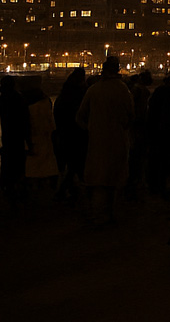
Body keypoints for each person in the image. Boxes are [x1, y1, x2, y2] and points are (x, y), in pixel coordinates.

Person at [76, 56, 135, 224]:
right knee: (116, 180)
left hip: (97, 142)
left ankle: (98, 216)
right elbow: (131, 115)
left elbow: (80, 117)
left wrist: (90, 129)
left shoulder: (93, 90)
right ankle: (112, 215)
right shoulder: (123, 90)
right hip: (118, 140)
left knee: (98, 181)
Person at [54, 68, 89, 201]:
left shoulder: (62, 96)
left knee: (71, 164)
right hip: (78, 133)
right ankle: (71, 188)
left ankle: (68, 189)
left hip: (65, 134)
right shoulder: (82, 95)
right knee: (77, 163)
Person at [24, 78, 59, 193]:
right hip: (45, 137)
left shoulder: (27, 104)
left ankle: (33, 186)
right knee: (47, 164)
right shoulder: (45, 103)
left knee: (33, 166)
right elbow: (50, 121)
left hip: (33, 137)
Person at [146, 72, 170, 195]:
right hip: (165, 133)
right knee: (163, 161)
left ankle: (153, 184)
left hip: (156, 132)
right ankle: (160, 185)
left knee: (154, 160)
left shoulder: (156, 98)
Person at [0, 75, 30, 204]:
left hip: (7, 136)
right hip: (18, 135)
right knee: (19, 163)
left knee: (7, 162)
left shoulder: (2, 99)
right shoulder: (19, 99)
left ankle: (8, 186)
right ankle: (20, 188)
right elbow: (25, 120)